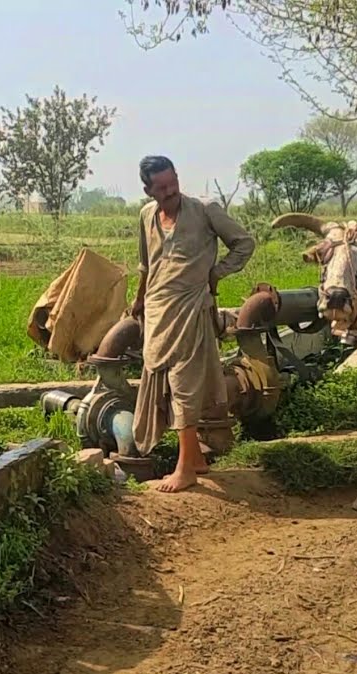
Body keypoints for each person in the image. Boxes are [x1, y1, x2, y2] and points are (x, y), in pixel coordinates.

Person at [131, 156, 255, 493]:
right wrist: (139, 300)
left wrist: (215, 274)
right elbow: (146, 265)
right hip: (158, 312)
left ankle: (185, 469)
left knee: (183, 382)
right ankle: (195, 458)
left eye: (173, 183)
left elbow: (244, 243)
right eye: (161, 187)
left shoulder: (204, 210)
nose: (170, 191)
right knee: (167, 385)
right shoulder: (146, 216)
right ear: (148, 189)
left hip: (191, 308)